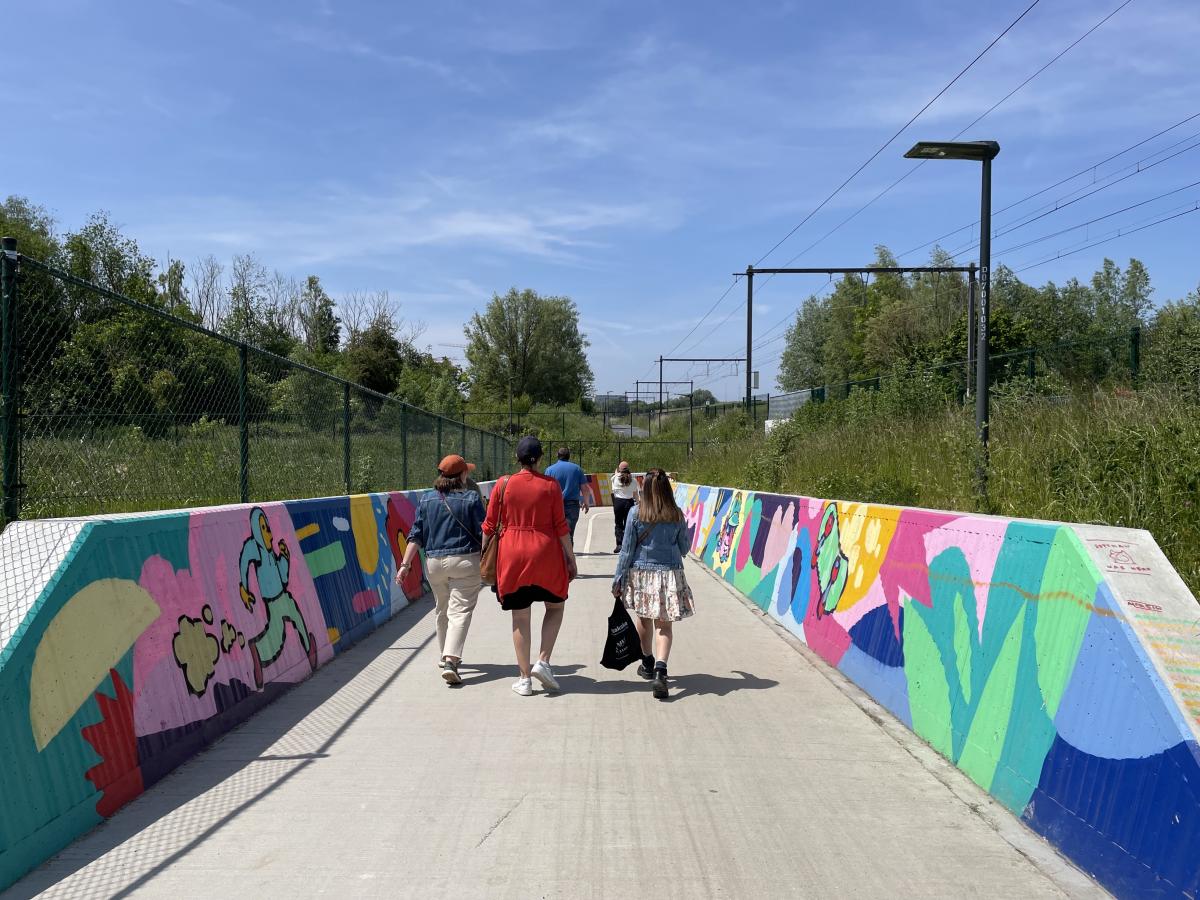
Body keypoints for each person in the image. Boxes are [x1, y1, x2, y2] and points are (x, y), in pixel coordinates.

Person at [482, 435, 579, 697]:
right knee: (555, 606)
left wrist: (484, 554)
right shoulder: (550, 485)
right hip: (546, 554)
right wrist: (570, 558)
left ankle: (524, 679)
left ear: (517, 458)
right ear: (541, 458)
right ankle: (543, 661)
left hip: (512, 556)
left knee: (520, 616)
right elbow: (561, 526)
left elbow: (488, 526)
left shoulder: (503, 484)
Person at [395, 454, 485, 686]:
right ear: (462, 475)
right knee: (460, 611)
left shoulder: (426, 500)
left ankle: (444, 654)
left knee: (442, 609)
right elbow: (484, 532)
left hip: (434, 563)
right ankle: (451, 661)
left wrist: (405, 565)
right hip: (465, 561)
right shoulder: (471, 499)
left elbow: (416, 535)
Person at [611, 468, 695, 700]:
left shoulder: (636, 513)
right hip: (669, 574)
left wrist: (618, 579)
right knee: (664, 626)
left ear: (645, 488)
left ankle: (647, 662)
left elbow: (626, 551)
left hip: (642, 574)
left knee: (644, 619)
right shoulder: (676, 514)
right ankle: (661, 670)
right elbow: (685, 548)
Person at [544, 447, 590, 545]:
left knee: (555, 534)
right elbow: (585, 488)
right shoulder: (577, 469)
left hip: (555, 505)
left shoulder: (549, 470)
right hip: (572, 506)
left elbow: (546, 490)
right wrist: (586, 502)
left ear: (557, 456)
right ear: (569, 456)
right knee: (569, 534)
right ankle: (568, 553)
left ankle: (558, 553)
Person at [610, 461, 639, 553]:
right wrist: (638, 503)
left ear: (619, 469)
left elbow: (615, 479)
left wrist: (616, 473)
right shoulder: (633, 480)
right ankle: (628, 544)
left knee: (618, 524)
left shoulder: (615, 478)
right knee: (628, 524)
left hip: (618, 502)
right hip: (629, 502)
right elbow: (635, 494)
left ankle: (619, 544)